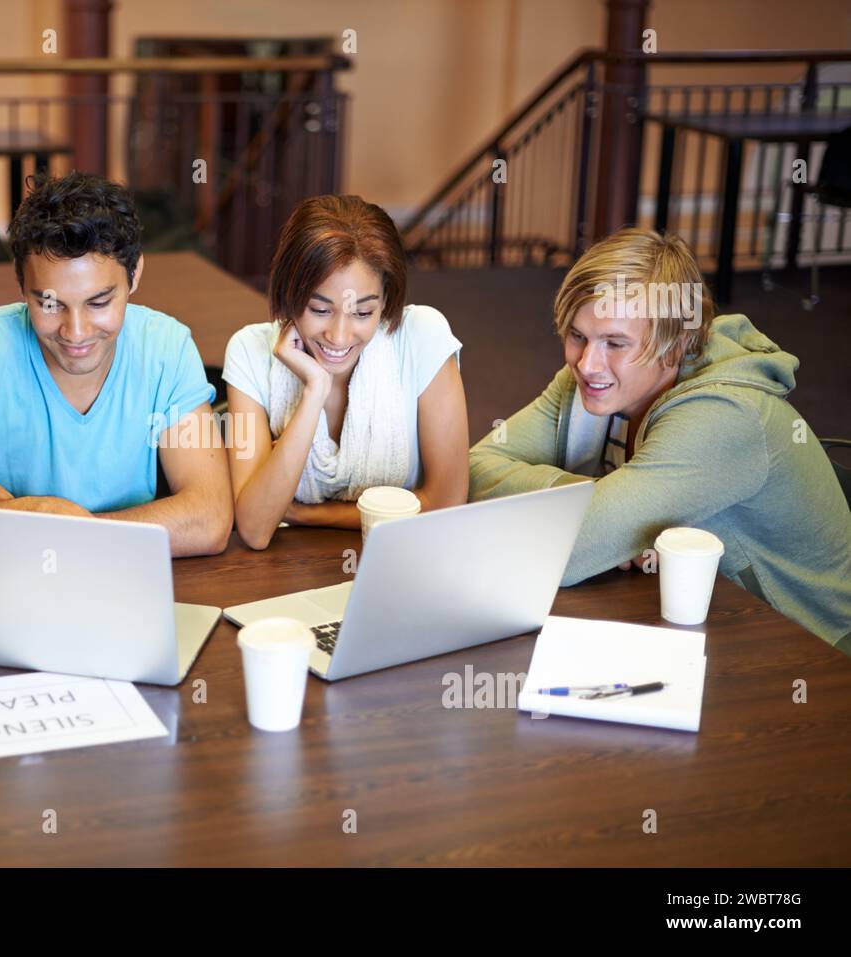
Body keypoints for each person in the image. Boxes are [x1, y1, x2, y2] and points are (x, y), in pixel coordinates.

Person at [468, 227, 851, 651]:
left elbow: (566, 553)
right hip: (710, 625)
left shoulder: (725, 417)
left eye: (615, 343)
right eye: (577, 336)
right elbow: (475, 467)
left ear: (676, 346)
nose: (587, 363)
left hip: (812, 652)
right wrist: (596, 501)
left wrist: (605, 523)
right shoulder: (595, 378)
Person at [0, 171, 233, 556]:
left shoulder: (166, 347)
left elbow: (209, 520)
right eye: (49, 304)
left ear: (134, 274)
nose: (75, 332)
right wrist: (42, 515)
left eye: (99, 303)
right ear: (21, 284)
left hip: (121, 587)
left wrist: (31, 517)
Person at [221, 194, 468, 550]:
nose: (338, 336)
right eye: (320, 309)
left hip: (399, 566)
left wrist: (305, 514)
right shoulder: (249, 352)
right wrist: (314, 391)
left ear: (386, 301)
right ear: (290, 294)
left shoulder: (421, 337)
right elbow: (257, 528)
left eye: (363, 313)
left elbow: (445, 504)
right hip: (286, 578)